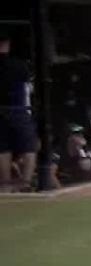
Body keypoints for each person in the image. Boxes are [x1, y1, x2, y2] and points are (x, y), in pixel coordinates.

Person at [0, 31, 36, 193]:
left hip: (1, 109)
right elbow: (27, 89)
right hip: (19, 109)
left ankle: (5, 184)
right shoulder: (20, 64)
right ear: (7, 43)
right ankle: (25, 182)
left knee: (3, 147)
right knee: (29, 146)